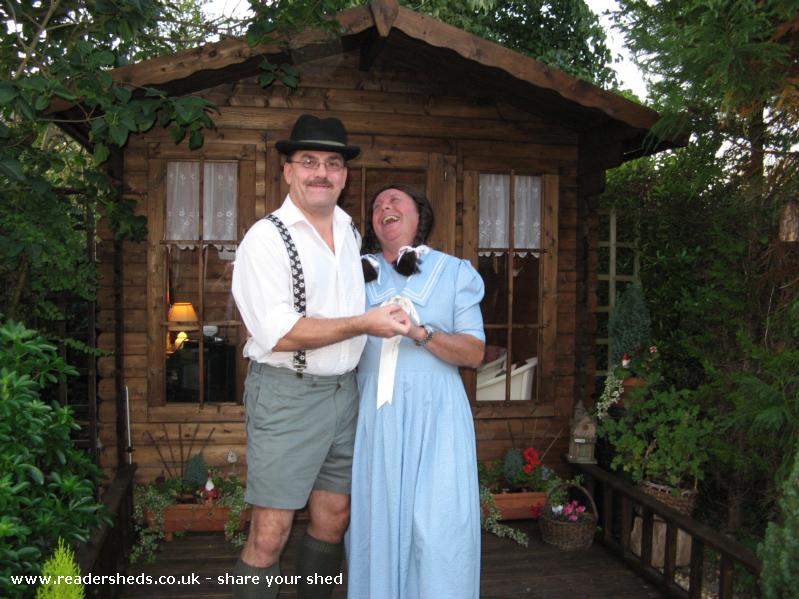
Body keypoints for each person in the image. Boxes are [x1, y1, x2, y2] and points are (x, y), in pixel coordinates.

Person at [230, 115, 411, 599]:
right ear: (287, 171)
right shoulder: (265, 239)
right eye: (308, 162)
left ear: (345, 176)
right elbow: (280, 333)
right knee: (270, 534)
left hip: (345, 395)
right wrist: (364, 324)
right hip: (287, 395)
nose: (321, 173)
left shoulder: (351, 232)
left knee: (335, 518)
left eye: (332, 163)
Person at [347, 184, 486, 599]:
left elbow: (475, 353)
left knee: (438, 527)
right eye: (376, 206)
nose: (384, 208)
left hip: (437, 419)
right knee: (378, 521)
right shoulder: (351, 276)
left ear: (418, 216)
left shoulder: (453, 272)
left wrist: (421, 334)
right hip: (377, 419)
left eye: (395, 202)